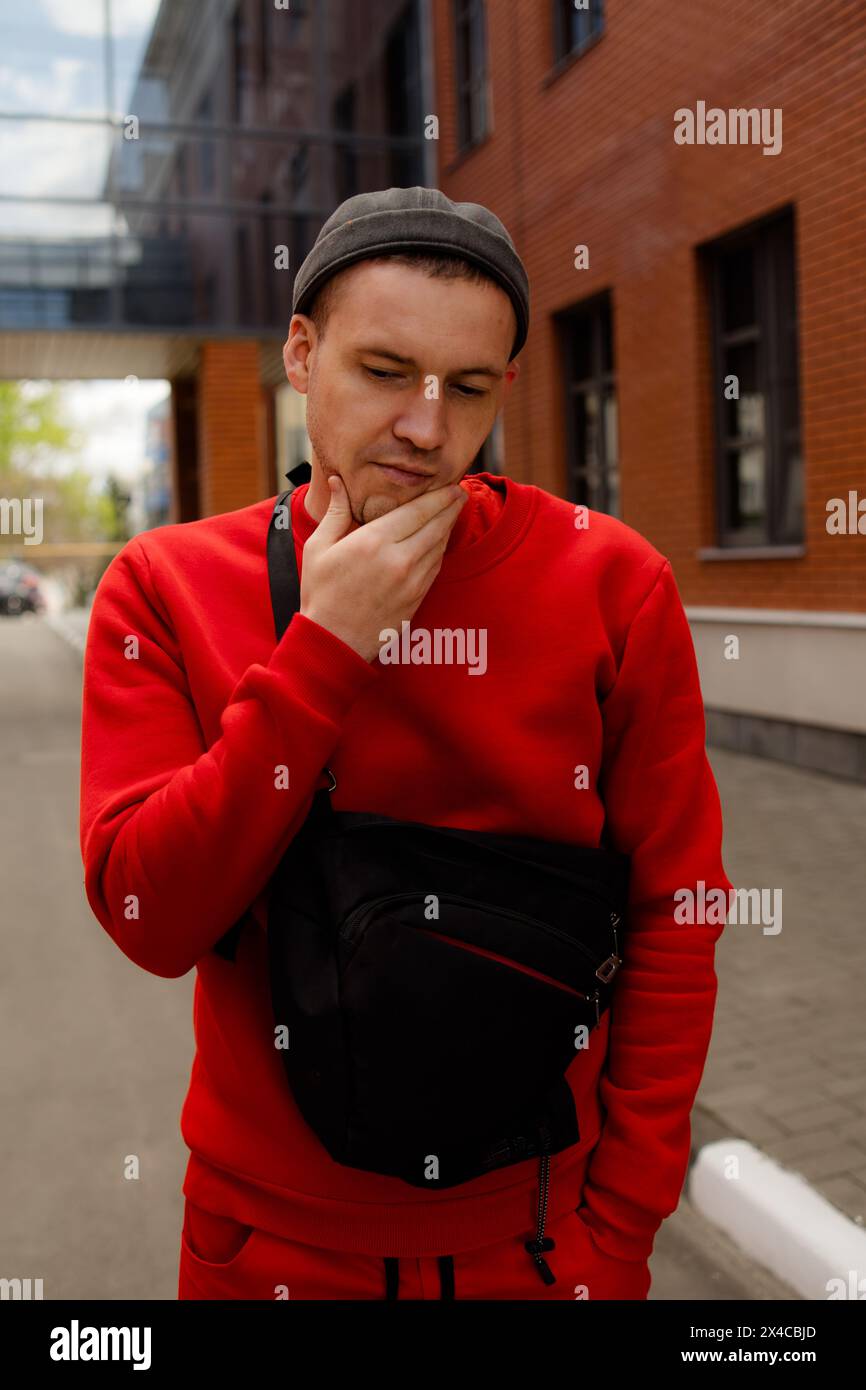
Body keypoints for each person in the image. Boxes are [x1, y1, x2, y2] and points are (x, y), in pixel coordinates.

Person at [79, 186, 733, 1301]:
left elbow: (675, 914)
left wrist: (616, 1238)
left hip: (533, 1238)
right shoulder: (165, 587)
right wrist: (323, 647)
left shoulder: (611, 582)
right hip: (263, 1243)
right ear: (299, 352)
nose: (426, 428)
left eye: (467, 388)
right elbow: (150, 915)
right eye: (384, 372)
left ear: (505, 389)